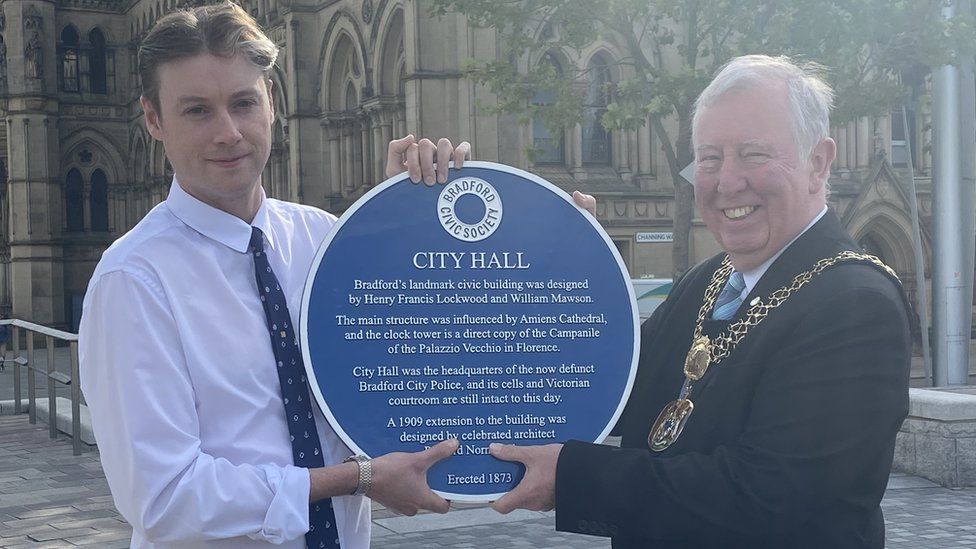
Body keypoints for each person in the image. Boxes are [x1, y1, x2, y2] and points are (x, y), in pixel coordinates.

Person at [79, 3, 472, 548]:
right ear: (153, 120)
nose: (229, 132)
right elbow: (164, 499)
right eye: (197, 111)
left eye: (244, 103)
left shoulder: (328, 241)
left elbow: (432, 358)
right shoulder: (134, 279)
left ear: (271, 103)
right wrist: (355, 479)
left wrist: (544, 245)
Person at [489, 55, 912, 549]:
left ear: (817, 162)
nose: (726, 181)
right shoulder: (708, 279)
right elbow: (605, 387)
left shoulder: (855, 303)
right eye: (709, 157)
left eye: (753, 154)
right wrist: (566, 267)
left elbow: (771, 496)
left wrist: (573, 476)